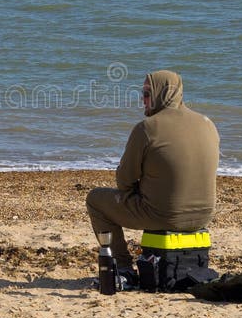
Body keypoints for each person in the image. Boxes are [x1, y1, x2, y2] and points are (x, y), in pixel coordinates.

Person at [86, 69, 219, 279]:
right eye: (142, 93)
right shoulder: (208, 124)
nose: (142, 99)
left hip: (163, 215)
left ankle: (122, 267)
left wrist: (140, 189)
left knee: (96, 200)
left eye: (147, 94)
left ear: (161, 94)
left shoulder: (147, 128)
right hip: (204, 216)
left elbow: (123, 181)